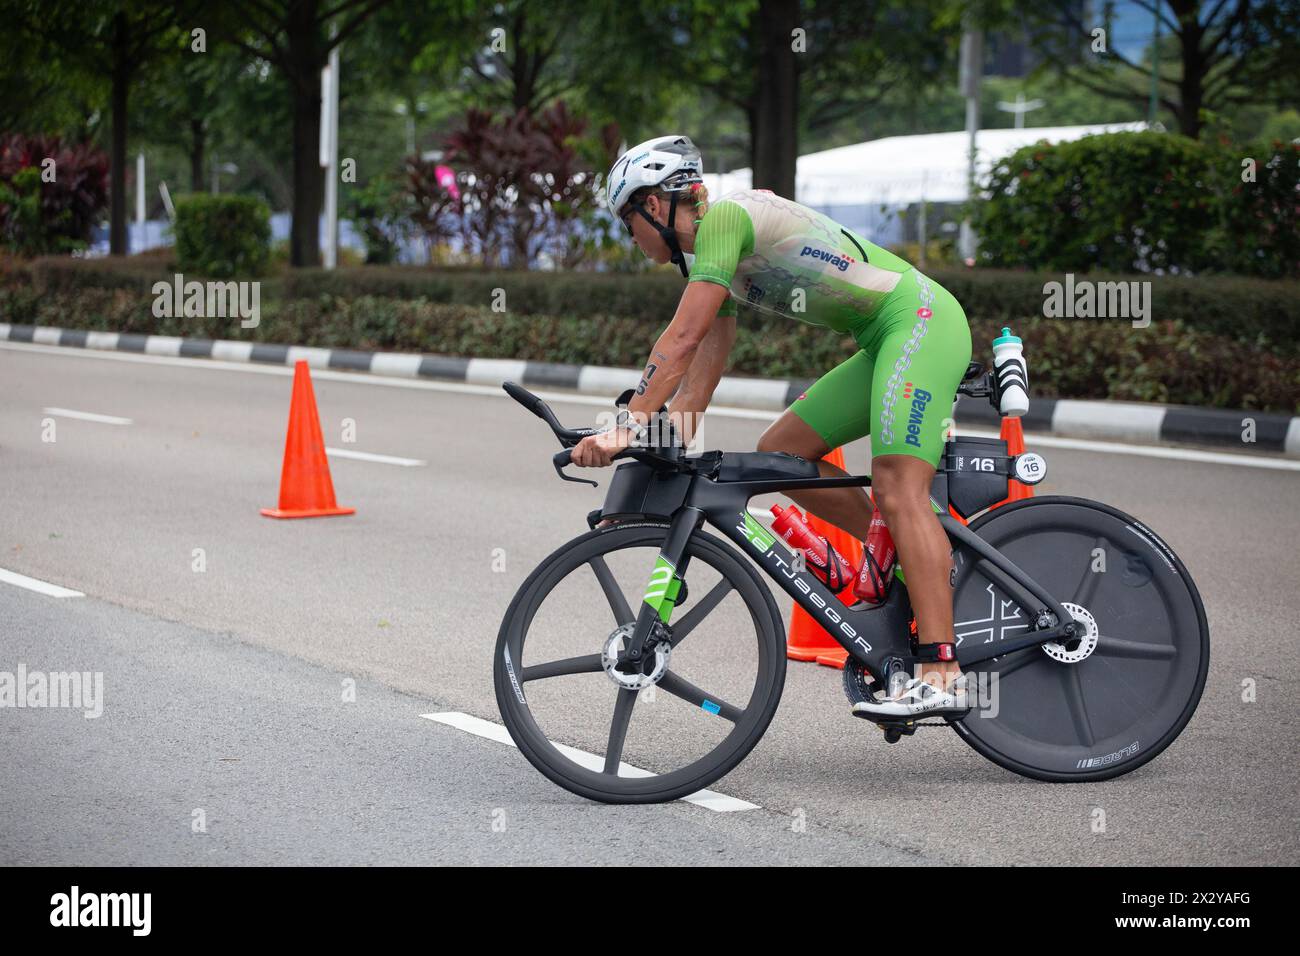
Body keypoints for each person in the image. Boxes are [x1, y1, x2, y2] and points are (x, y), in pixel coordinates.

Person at [571, 135, 973, 718]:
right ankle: (909, 557)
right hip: (884, 338)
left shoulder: (726, 221)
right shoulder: (715, 262)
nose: (630, 239)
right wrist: (658, 450)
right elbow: (701, 376)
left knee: (896, 486)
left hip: (921, 323)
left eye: (627, 221)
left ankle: (943, 672)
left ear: (654, 206)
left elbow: (679, 340)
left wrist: (623, 427)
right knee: (782, 452)